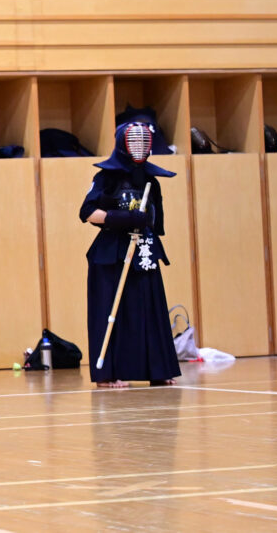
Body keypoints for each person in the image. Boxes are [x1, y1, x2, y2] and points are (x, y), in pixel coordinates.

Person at [80, 120, 181, 388]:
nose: (139, 147)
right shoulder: (105, 177)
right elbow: (88, 213)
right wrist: (122, 217)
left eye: (143, 142)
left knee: (149, 310)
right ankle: (107, 374)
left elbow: (155, 222)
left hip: (143, 251)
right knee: (110, 312)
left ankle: (157, 369)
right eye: (133, 141)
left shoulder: (150, 181)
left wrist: (144, 221)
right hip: (111, 254)